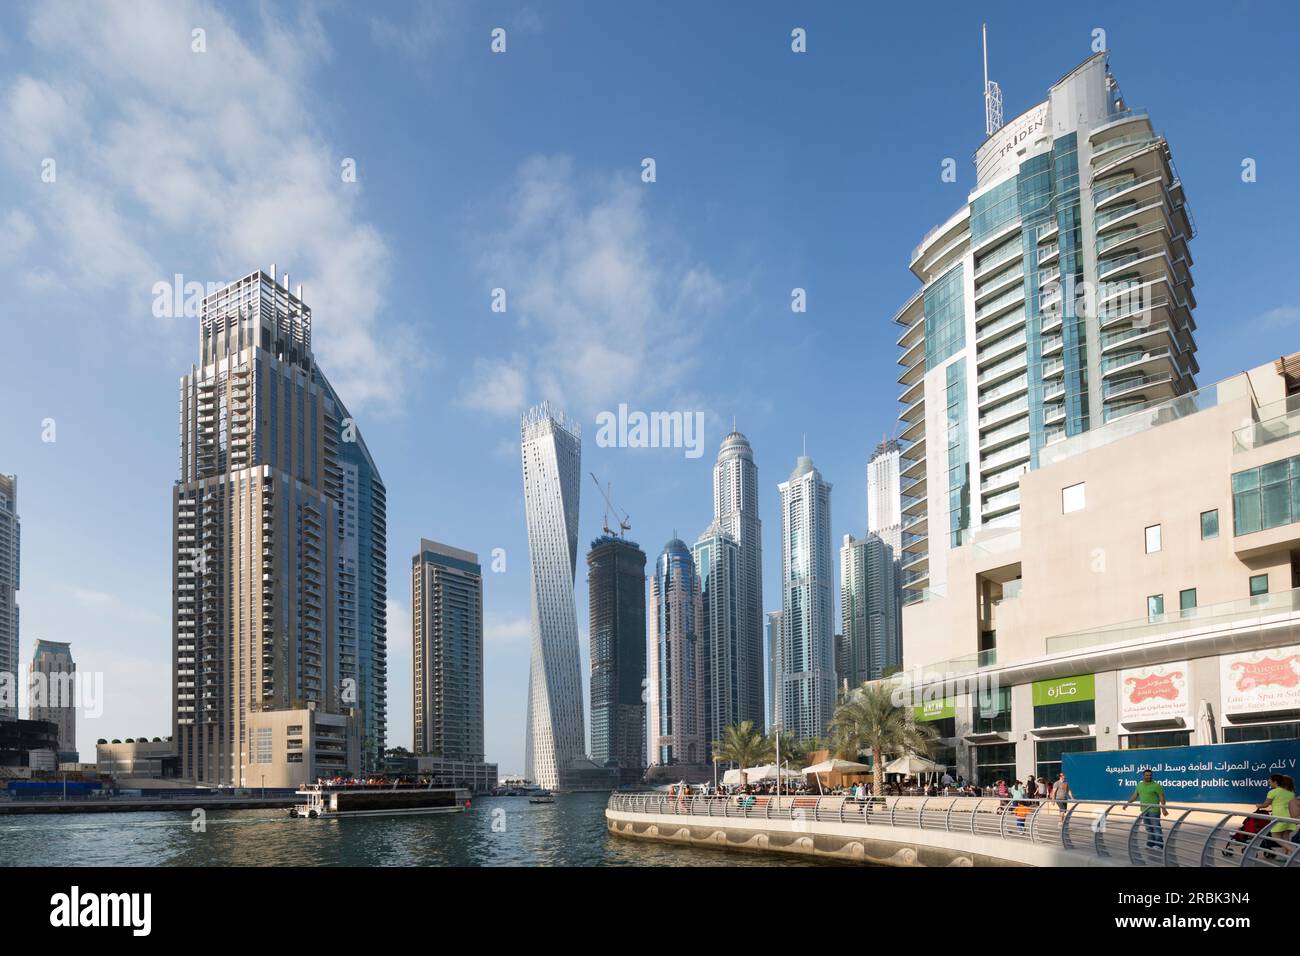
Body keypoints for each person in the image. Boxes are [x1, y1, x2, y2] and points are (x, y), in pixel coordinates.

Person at [1256, 773, 1297, 859]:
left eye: (1270, 782)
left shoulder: (1272, 792)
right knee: (1285, 837)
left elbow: (1266, 805)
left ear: (1275, 782)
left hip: (1279, 817)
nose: (1269, 783)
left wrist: (1259, 805)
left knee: (1275, 836)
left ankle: (1294, 851)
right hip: (1290, 817)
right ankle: (1285, 857)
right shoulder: (1290, 793)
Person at [1126, 769, 1167, 851]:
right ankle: (1150, 844)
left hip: (1154, 811)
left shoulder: (1156, 786)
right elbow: (1135, 795)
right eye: (1147, 775)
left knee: (1156, 828)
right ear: (1143, 776)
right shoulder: (1139, 785)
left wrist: (1163, 809)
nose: (1149, 776)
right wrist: (1127, 803)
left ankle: (1159, 845)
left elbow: (1161, 797)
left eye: (1150, 775)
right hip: (1144, 810)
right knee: (1148, 828)